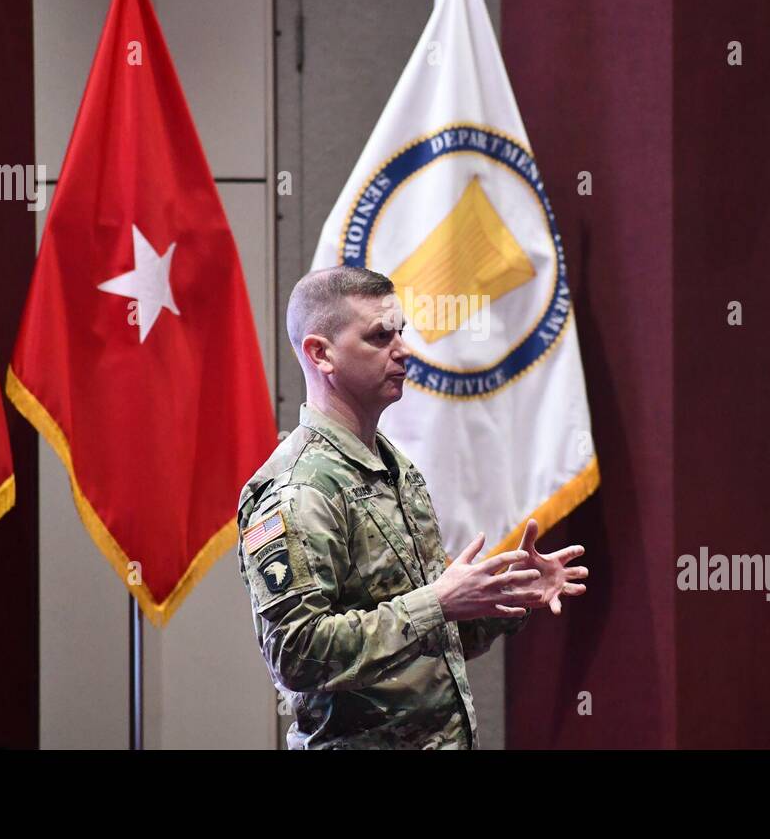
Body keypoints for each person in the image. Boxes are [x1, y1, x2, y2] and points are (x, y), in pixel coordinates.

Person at [236, 265, 588, 749]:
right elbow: (297, 655)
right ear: (321, 354)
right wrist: (438, 601)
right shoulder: (298, 489)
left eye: (400, 332)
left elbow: (430, 637)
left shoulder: (391, 464)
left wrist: (506, 597)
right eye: (380, 337)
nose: (403, 350)